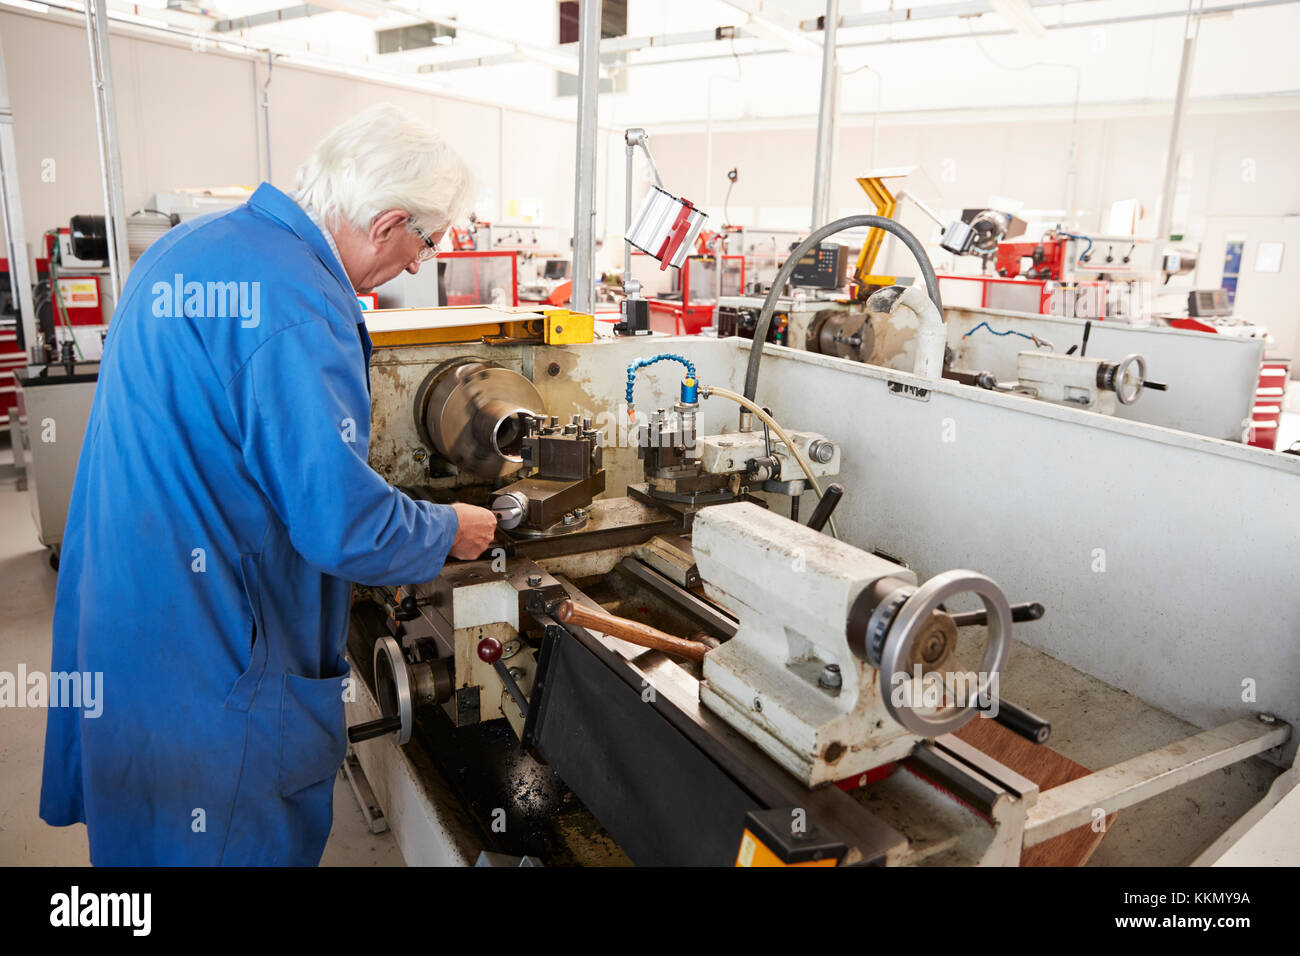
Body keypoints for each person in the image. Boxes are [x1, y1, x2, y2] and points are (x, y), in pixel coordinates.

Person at [39, 103, 499, 865]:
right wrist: (449, 527)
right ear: (388, 222)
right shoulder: (297, 304)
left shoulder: (192, 246)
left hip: (126, 621)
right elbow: (341, 524)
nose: (420, 264)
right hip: (216, 653)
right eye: (427, 241)